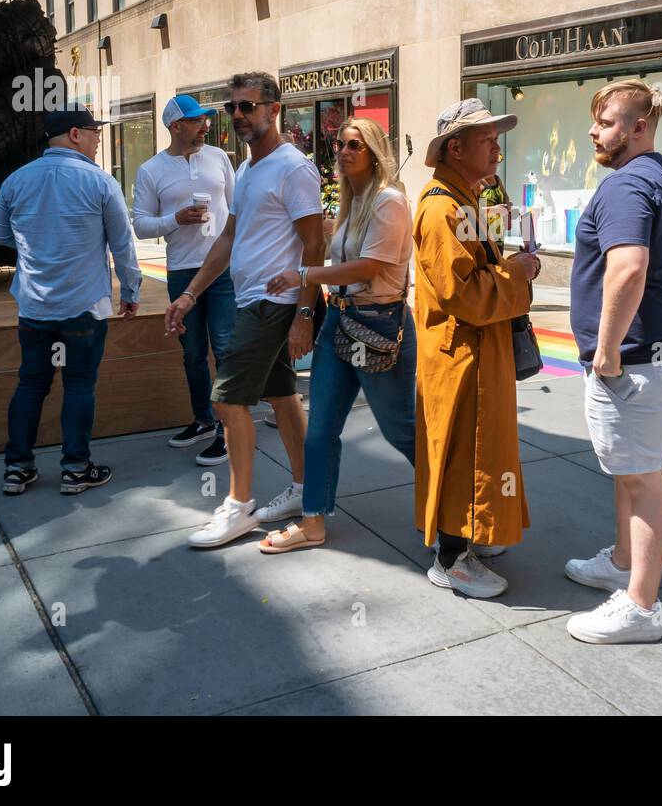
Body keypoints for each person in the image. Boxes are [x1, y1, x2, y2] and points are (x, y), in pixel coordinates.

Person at [163, 72, 325, 549]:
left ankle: (238, 505)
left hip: (275, 303)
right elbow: (229, 238)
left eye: (248, 106)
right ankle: (303, 488)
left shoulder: (293, 168)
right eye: (233, 107)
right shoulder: (248, 169)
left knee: (227, 399)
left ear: (275, 110)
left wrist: (304, 313)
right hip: (250, 297)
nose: (238, 115)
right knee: (281, 396)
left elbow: (315, 243)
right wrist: (190, 293)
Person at [564, 79, 662, 644]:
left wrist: (608, 351)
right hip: (658, 349)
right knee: (631, 470)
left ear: (639, 127)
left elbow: (629, 268)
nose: (594, 130)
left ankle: (640, 605)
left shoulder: (628, 185)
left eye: (608, 121)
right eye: (595, 120)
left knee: (643, 480)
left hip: (637, 358)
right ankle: (623, 561)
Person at [254, 118, 416, 551]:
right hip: (339, 324)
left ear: (374, 152)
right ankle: (312, 524)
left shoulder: (388, 201)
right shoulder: (353, 199)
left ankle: (453, 504)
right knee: (320, 429)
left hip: (377, 326)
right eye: (339, 145)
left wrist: (303, 274)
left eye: (354, 146)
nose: (343, 152)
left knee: (402, 430)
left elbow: (371, 267)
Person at [414, 98, 540, 598]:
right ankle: (451, 555)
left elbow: (475, 272)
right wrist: (519, 272)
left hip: (474, 353)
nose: (497, 150)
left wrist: (506, 263)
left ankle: (470, 532)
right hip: (460, 356)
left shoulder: (461, 198)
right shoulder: (443, 206)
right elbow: (464, 294)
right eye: (487, 140)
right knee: (464, 452)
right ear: (455, 147)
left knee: (479, 451)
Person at [0, 106, 141, 496]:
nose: (97, 141)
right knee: (79, 385)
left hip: (34, 306)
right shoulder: (100, 182)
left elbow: (0, 235)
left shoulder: (15, 181)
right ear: (75, 134)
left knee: (30, 384)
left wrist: (35, 244)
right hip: (84, 306)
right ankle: (75, 468)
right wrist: (131, 290)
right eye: (94, 133)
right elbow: (122, 244)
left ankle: (17, 468)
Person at [133, 94, 235, 467]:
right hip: (182, 269)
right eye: (197, 121)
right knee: (192, 353)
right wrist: (175, 218)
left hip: (224, 269)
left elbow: (238, 212)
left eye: (205, 119)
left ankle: (227, 430)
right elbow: (140, 225)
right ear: (176, 126)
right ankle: (203, 420)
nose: (206, 125)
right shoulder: (151, 170)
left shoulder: (220, 158)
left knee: (224, 349)